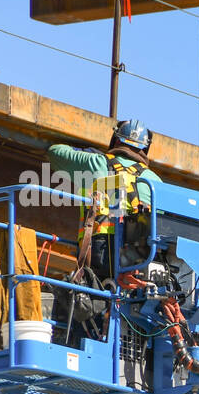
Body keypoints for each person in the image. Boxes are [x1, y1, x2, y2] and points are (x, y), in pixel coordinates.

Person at [47, 119, 160, 280]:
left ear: (116, 139)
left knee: (89, 293)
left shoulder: (96, 162)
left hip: (99, 248)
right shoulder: (155, 181)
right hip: (139, 256)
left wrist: (87, 152)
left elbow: (55, 151)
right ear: (145, 148)